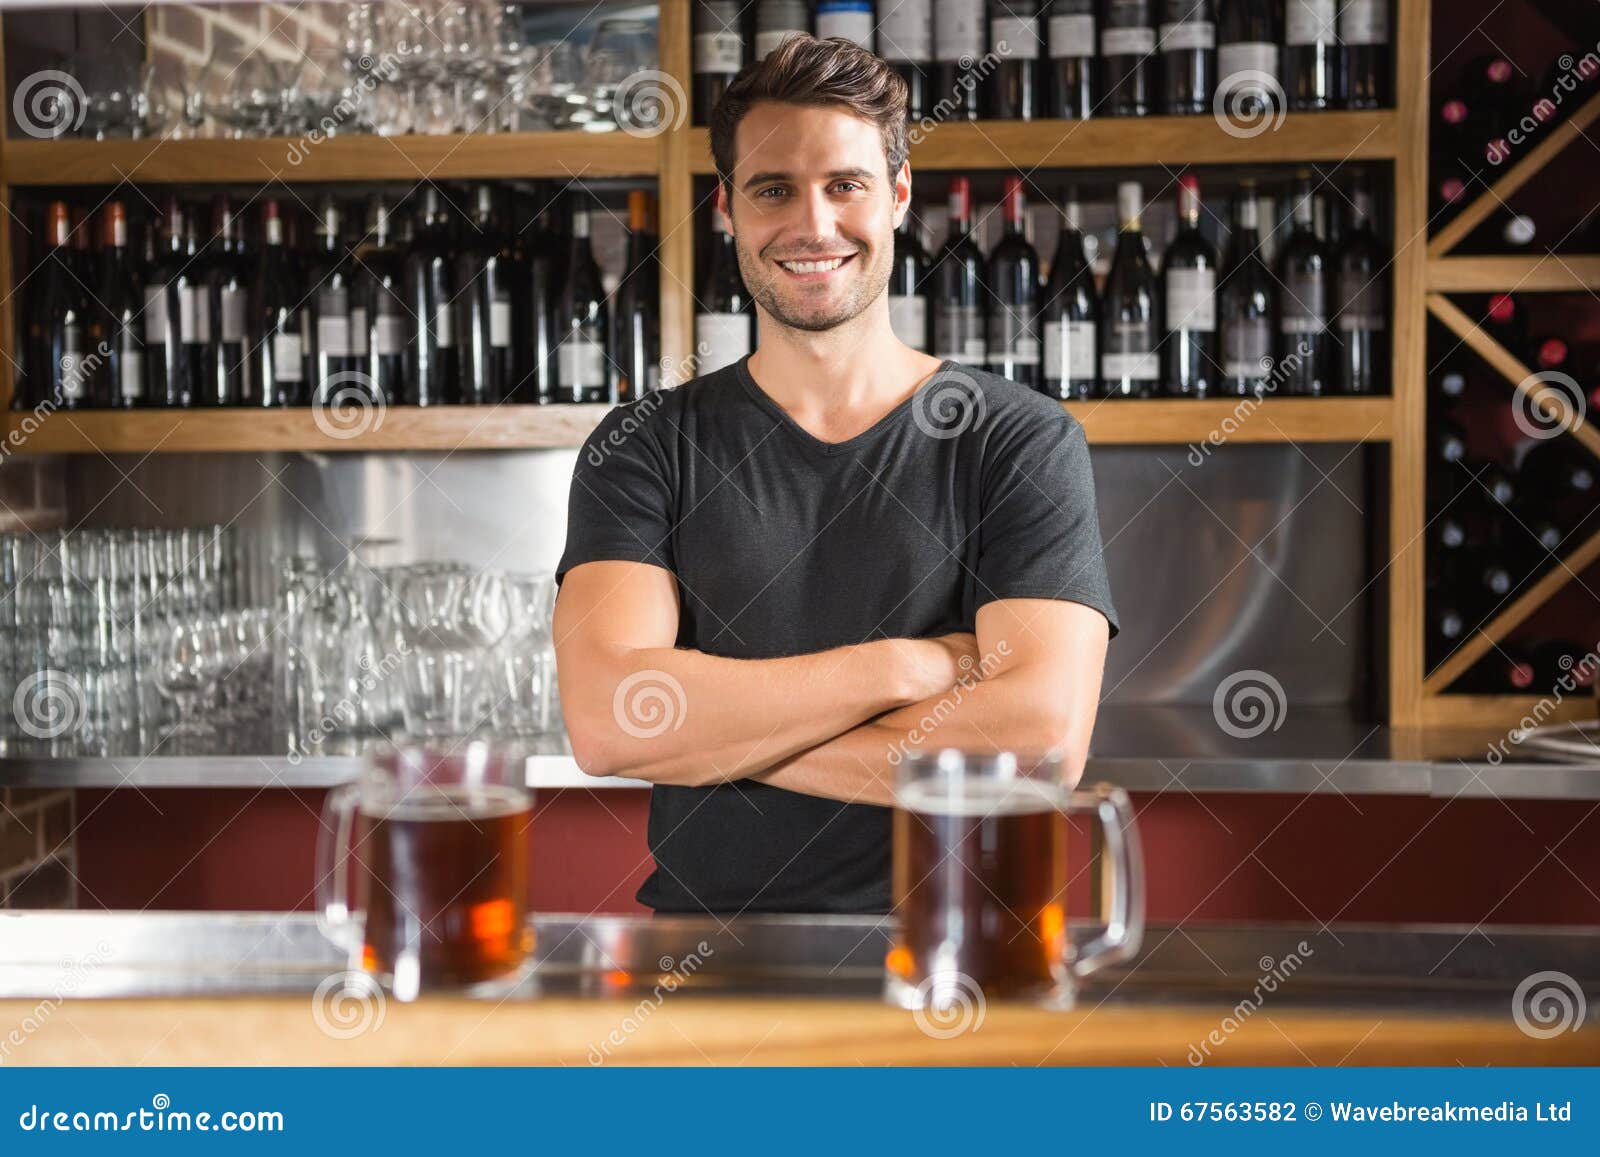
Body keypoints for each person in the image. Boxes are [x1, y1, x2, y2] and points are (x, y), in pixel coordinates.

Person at [553, 35, 1118, 915]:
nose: (812, 225)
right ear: (728, 210)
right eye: (774, 188)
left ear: (896, 198)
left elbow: (1040, 745)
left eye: (844, 185)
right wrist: (906, 667)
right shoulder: (641, 444)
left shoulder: (1018, 439)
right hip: (704, 979)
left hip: (963, 963)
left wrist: (730, 736)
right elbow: (607, 718)